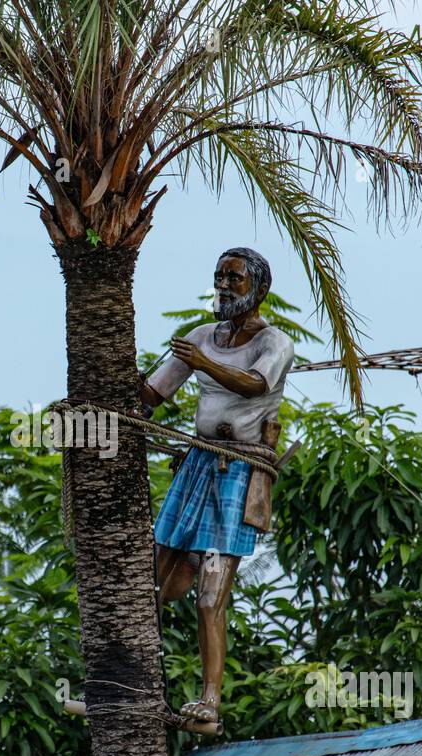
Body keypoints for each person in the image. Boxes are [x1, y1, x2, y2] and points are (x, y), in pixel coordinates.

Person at [139, 247, 295, 724]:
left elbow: (253, 384)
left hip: (238, 471)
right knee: (152, 580)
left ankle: (210, 700)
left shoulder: (275, 343)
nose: (224, 286)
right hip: (196, 466)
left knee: (211, 593)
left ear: (259, 288)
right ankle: (134, 687)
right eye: (219, 277)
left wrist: (204, 364)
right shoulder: (202, 337)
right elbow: (152, 393)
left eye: (236, 279)